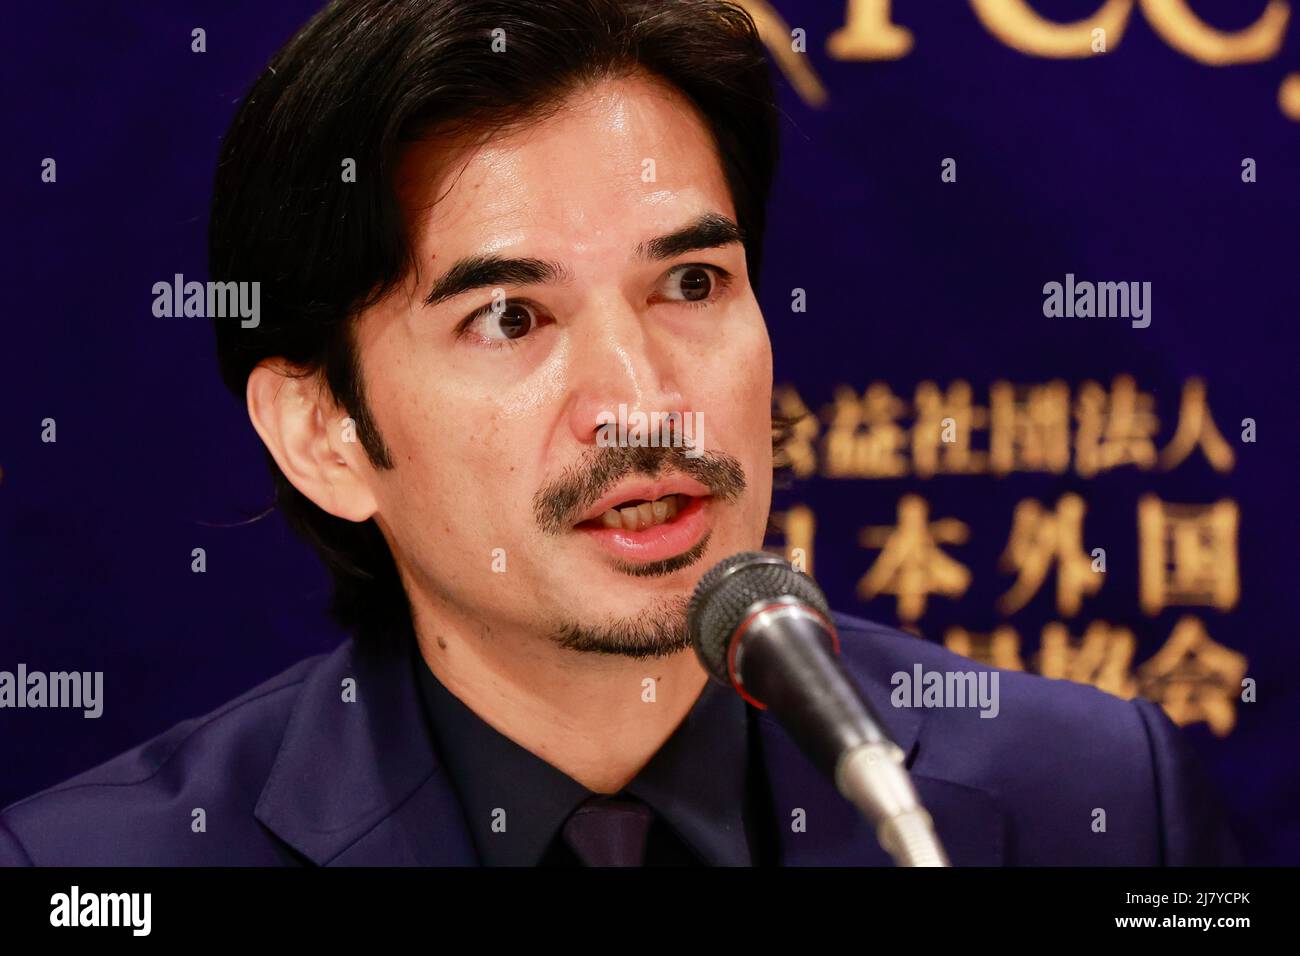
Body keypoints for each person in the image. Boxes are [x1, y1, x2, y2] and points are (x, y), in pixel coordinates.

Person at [0, 0, 1239, 866]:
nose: (641, 399)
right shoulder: (95, 871)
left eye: (690, 285)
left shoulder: (1089, 797)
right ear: (326, 431)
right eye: (509, 315)